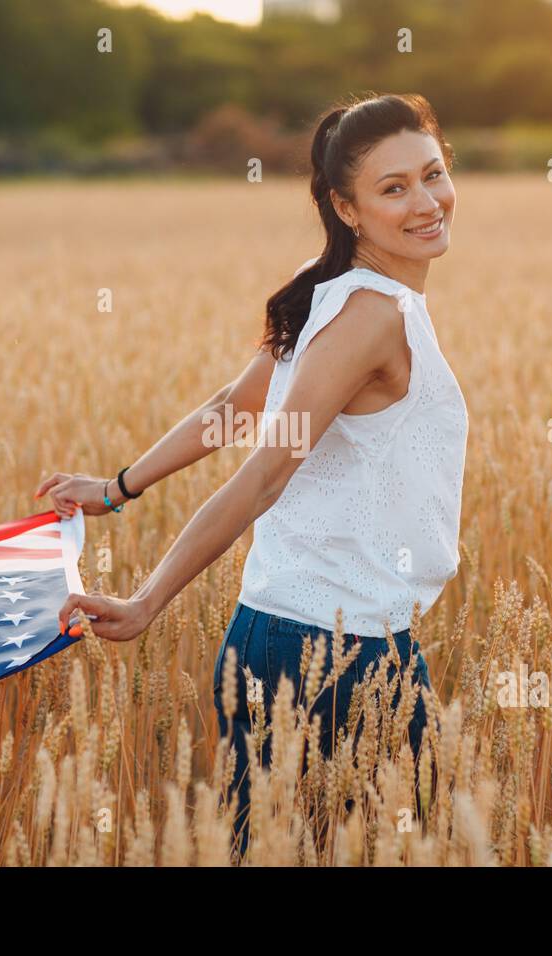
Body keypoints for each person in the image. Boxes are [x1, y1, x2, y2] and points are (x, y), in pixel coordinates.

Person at [35, 92, 468, 860]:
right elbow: (265, 470)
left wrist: (116, 489)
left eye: (432, 174)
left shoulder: (330, 284)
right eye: (393, 188)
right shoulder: (371, 316)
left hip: (275, 634)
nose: (427, 202)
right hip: (343, 650)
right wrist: (145, 602)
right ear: (347, 207)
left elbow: (232, 408)